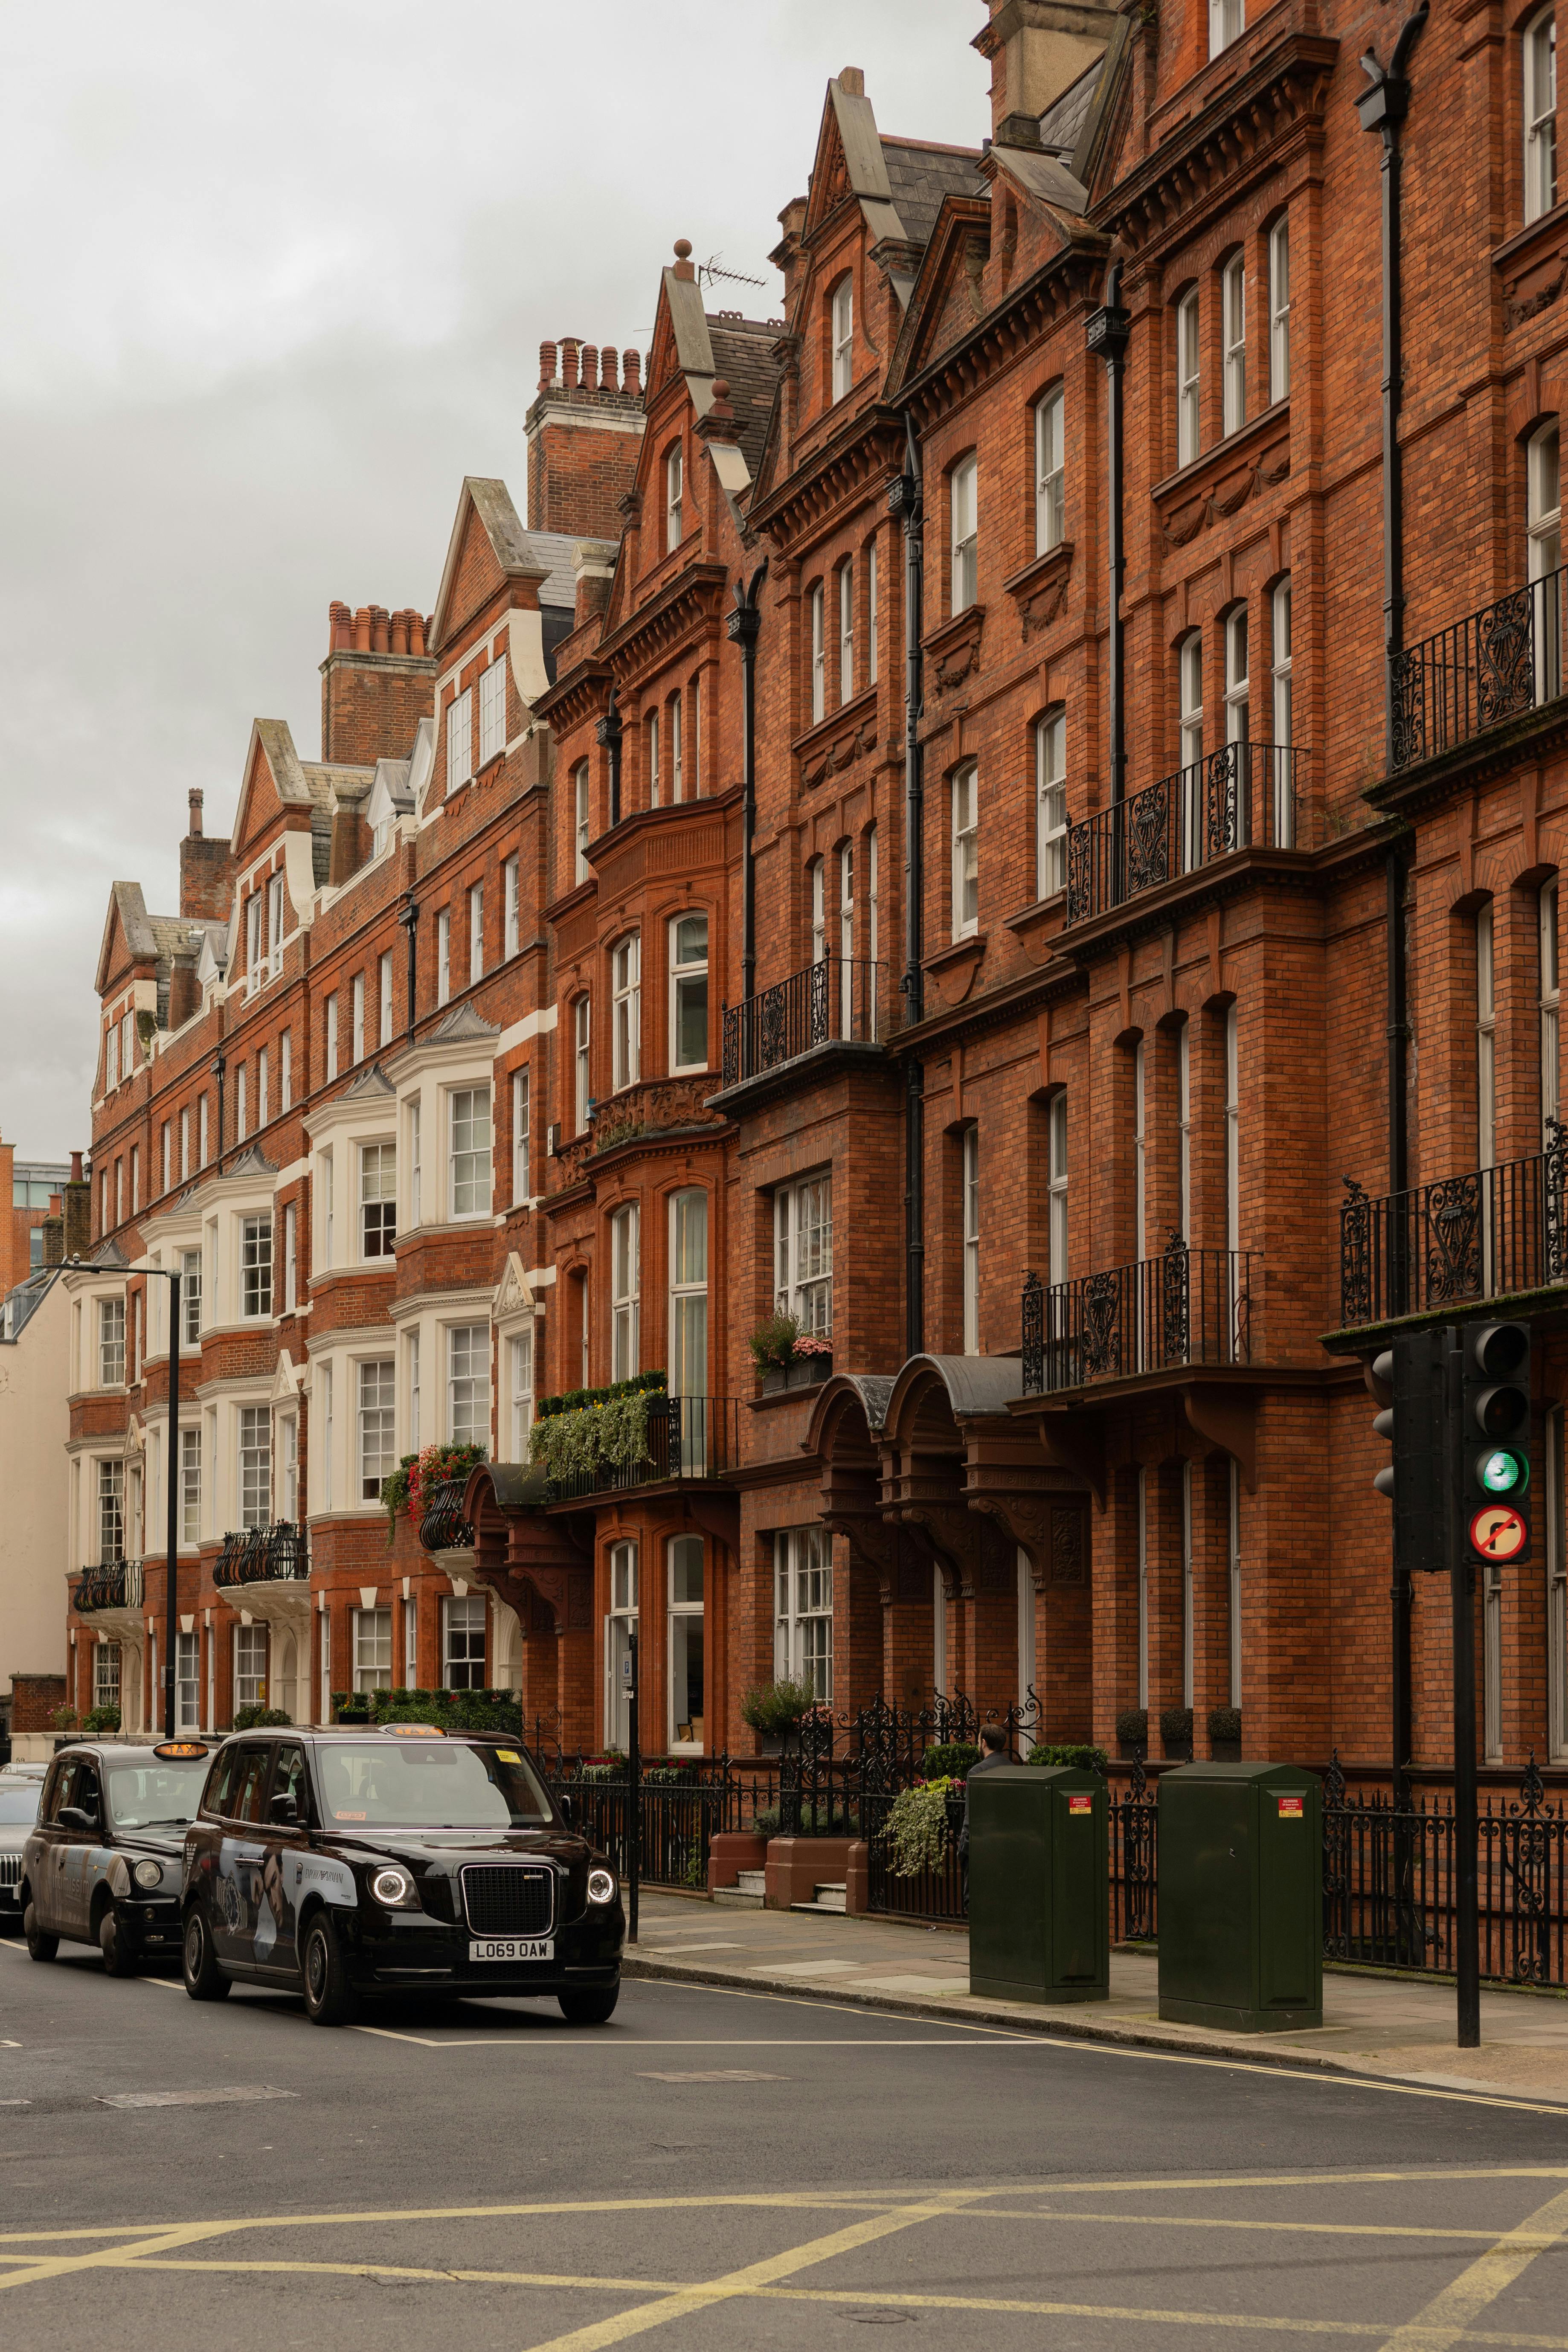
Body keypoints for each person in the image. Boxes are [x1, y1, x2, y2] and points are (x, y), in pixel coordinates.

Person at [959, 1721, 1011, 1903]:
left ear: (983, 1743)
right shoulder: (1014, 1770)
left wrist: (963, 1846)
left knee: (975, 1898)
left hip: (980, 1843)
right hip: (1008, 1843)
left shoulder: (978, 1771)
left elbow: (971, 1814)